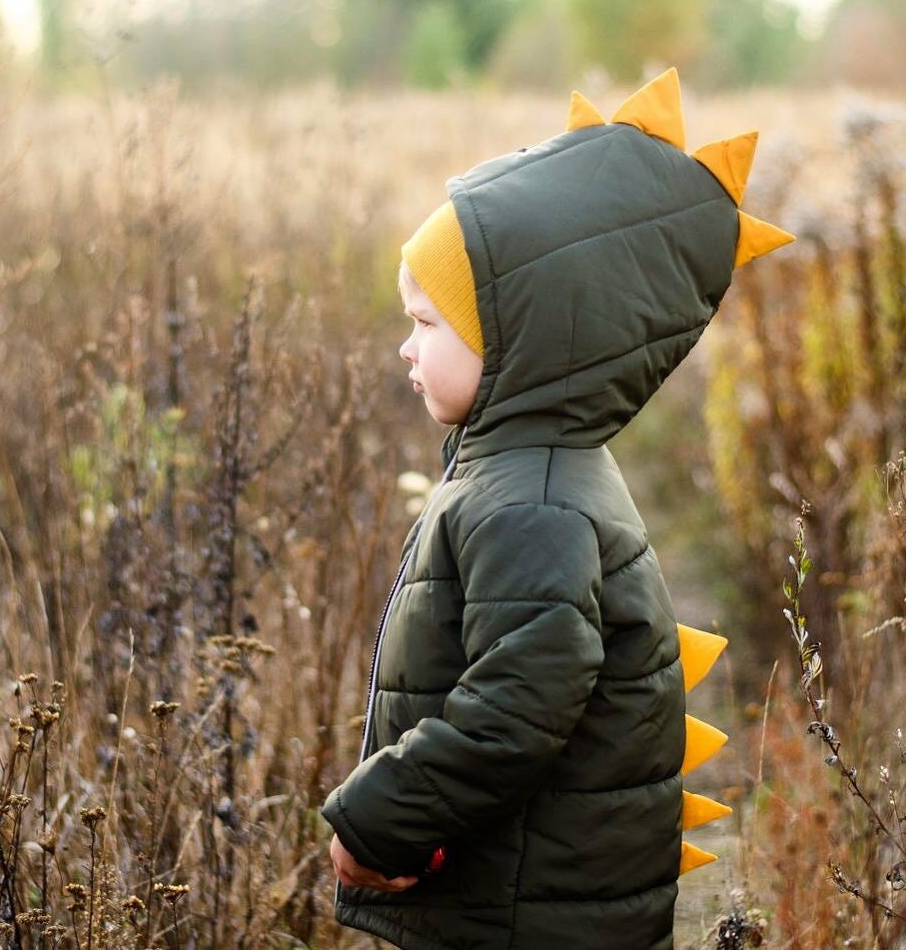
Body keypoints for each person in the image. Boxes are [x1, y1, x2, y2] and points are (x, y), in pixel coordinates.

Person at [321, 67, 794, 950]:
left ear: (518, 337)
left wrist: (379, 816)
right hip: (527, 891)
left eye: (426, 323)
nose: (404, 347)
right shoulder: (529, 470)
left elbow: (524, 695)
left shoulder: (528, 501)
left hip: (528, 914)